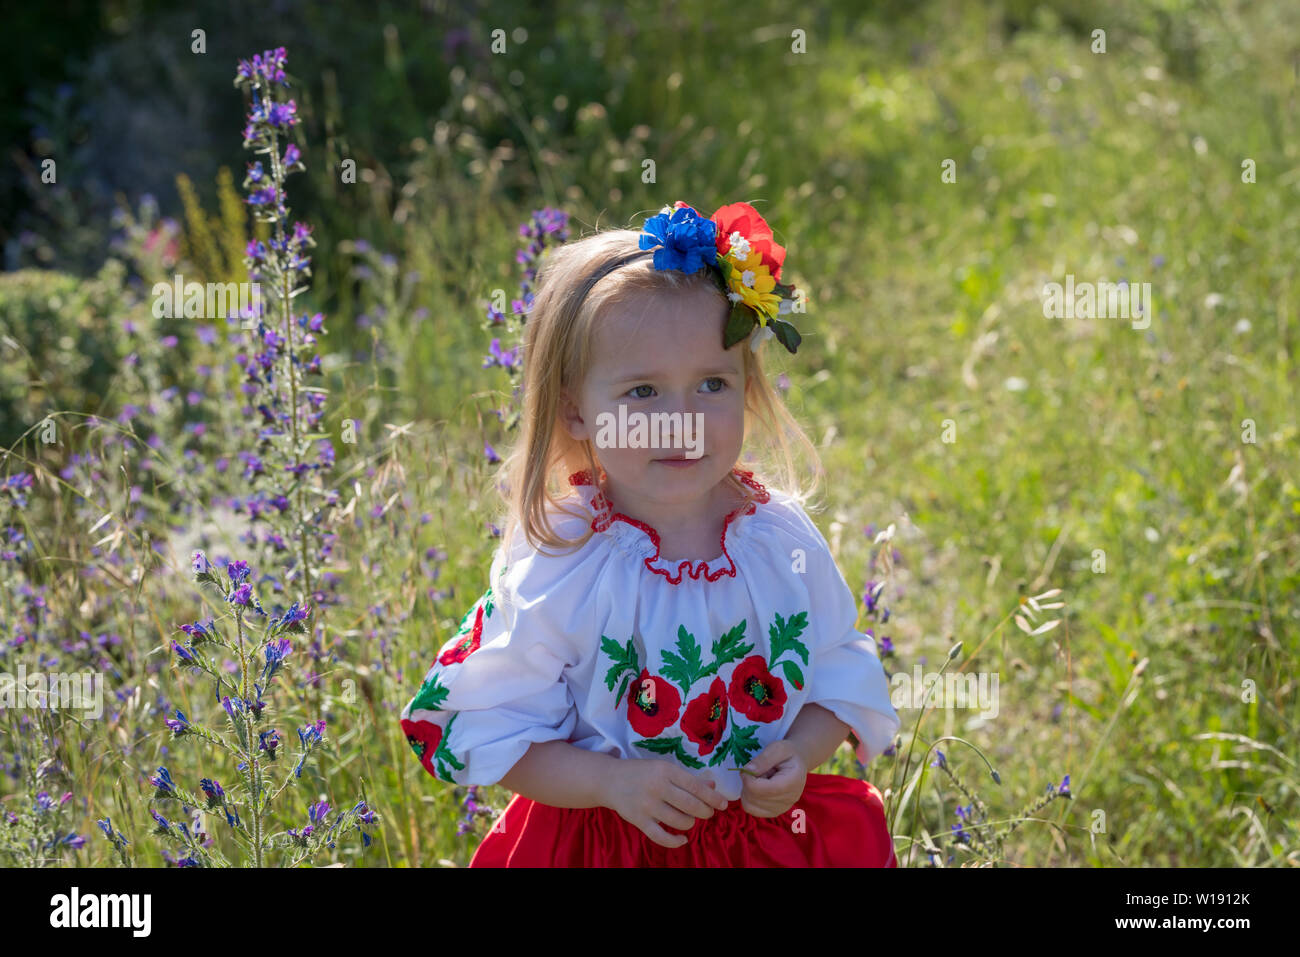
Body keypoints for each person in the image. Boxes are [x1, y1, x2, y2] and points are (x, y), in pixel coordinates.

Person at [399, 201, 901, 866]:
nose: (681, 419)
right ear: (577, 409)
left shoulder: (778, 539)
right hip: (611, 844)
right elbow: (496, 729)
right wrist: (612, 782)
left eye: (711, 384)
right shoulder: (569, 558)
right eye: (643, 392)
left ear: (747, 386)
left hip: (759, 841)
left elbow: (838, 664)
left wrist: (800, 753)